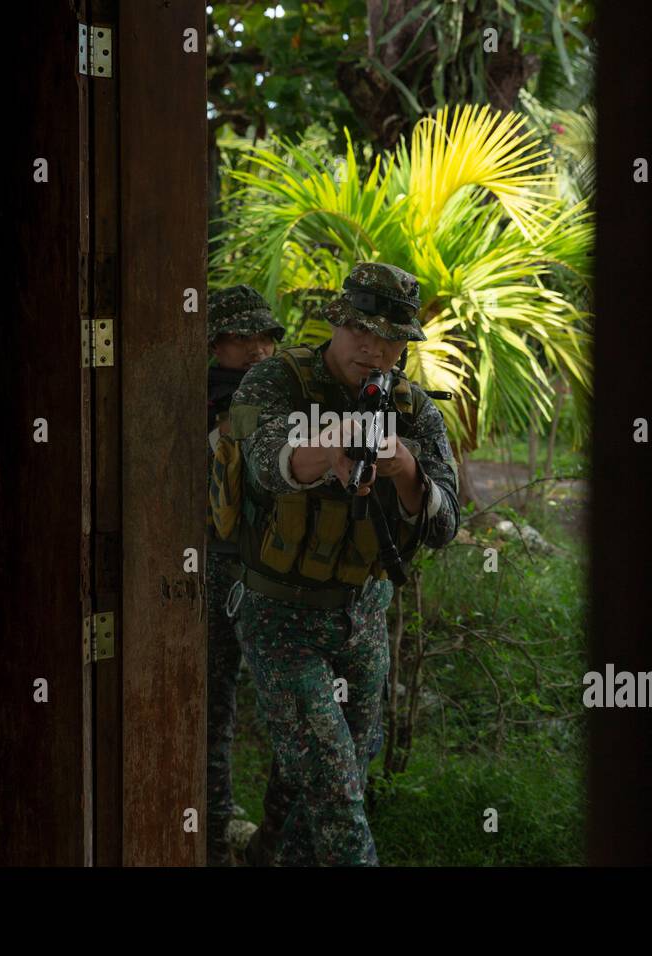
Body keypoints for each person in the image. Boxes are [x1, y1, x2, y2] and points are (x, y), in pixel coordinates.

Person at [225, 263, 461, 866]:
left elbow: (444, 525)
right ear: (337, 325)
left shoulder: (413, 412)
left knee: (321, 788)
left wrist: (404, 468)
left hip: (362, 622)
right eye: (361, 331)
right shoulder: (275, 380)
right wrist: (331, 447)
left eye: (390, 339)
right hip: (281, 618)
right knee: (336, 797)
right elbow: (263, 461)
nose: (373, 348)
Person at [204, 285, 283, 866]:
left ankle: (272, 841)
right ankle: (214, 826)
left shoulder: (282, 393)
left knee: (293, 711)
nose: (256, 350)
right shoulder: (207, 398)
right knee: (216, 704)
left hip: (271, 570)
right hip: (217, 566)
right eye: (241, 339)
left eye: (264, 338)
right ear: (215, 345)